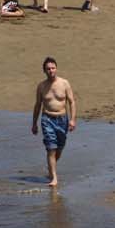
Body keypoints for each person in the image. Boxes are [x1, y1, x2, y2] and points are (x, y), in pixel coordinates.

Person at [32, 56, 76, 187]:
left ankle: (51, 168)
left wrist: (73, 119)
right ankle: (54, 178)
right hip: (47, 119)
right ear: (44, 71)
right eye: (48, 69)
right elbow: (38, 105)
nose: (51, 71)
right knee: (51, 148)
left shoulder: (64, 83)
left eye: (53, 68)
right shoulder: (41, 86)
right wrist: (34, 123)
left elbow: (72, 101)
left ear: (56, 68)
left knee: (59, 148)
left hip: (62, 119)